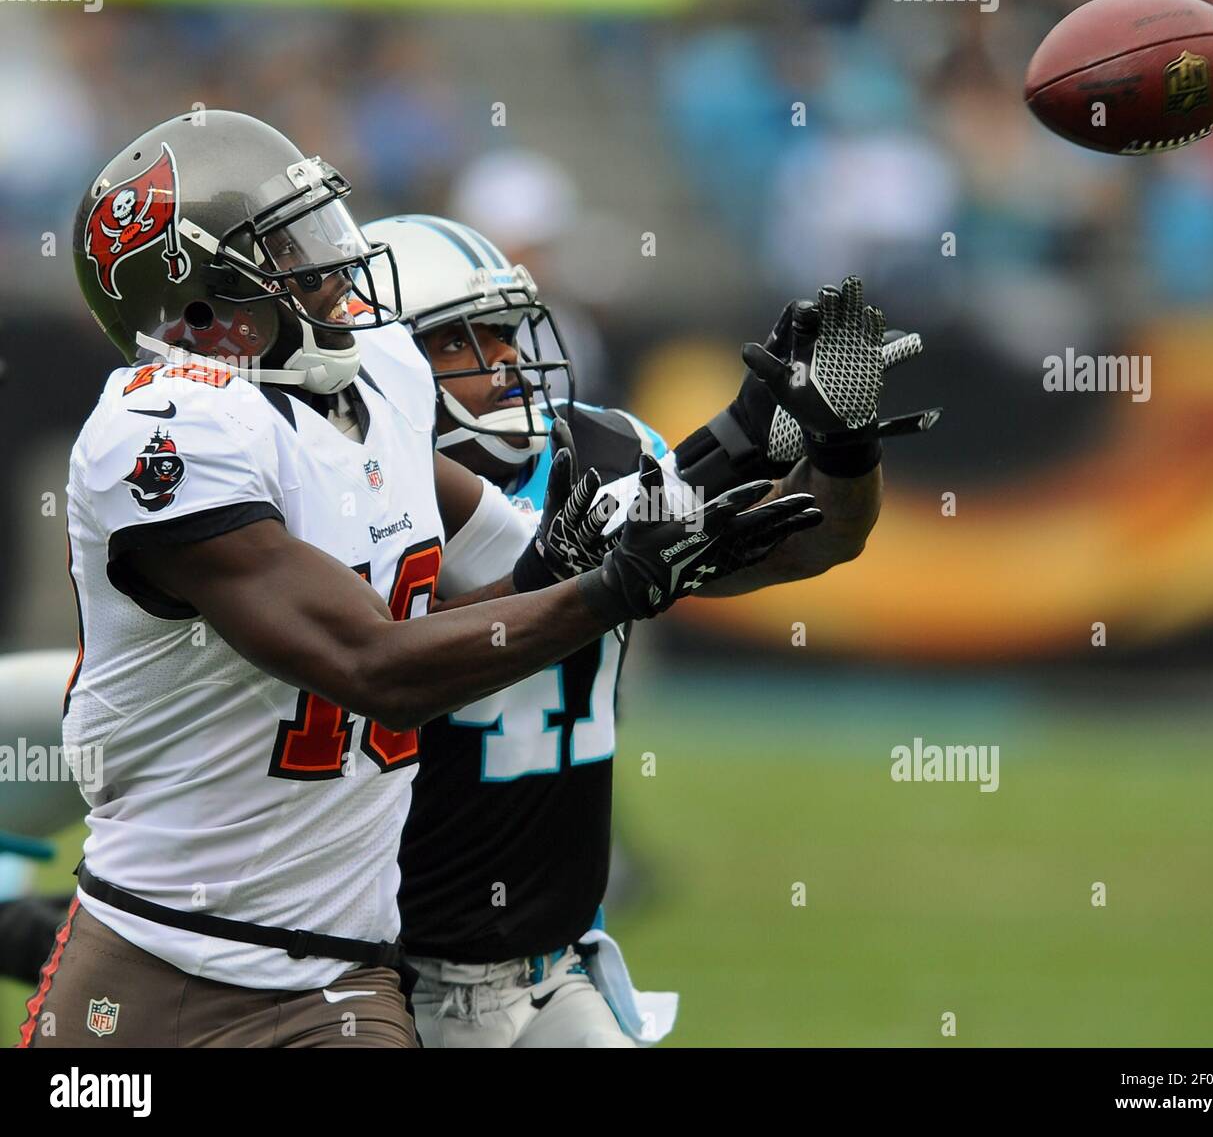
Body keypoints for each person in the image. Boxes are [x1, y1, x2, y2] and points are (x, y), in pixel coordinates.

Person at [18, 111, 818, 1049]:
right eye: (288, 248)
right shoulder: (166, 433)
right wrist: (614, 587)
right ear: (201, 302)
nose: (334, 266)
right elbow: (374, 667)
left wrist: (730, 453)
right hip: (151, 957)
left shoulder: (383, 375)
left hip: (345, 977)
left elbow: (530, 562)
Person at [360, 214, 938, 1046]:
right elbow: (398, 662)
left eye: (504, 329)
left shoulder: (602, 445)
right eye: (463, 338)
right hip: (395, 978)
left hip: (555, 969)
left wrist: (840, 448)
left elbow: (814, 539)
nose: (508, 356)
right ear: (386, 361)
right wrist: (714, 457)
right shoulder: (371, 495)